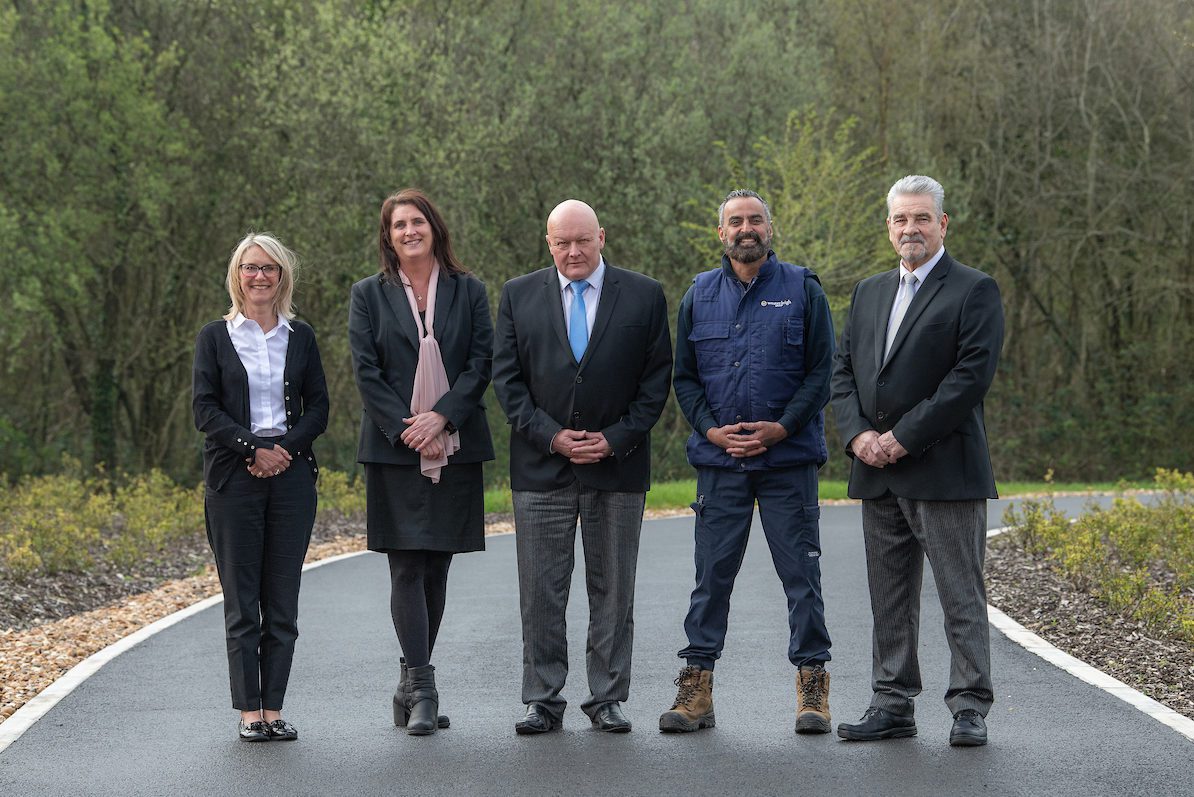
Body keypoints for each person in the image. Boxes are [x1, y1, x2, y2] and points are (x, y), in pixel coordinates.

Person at [831, 175, 1004, 746]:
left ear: (942, 224)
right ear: (888, 226)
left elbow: (968, 380)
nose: (911, 228)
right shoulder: (867, 292)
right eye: (901, 219)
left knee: (960, 594)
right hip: (877, 473)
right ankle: (892, 701)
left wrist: (902, 437)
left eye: (922, 218)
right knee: (889, 598)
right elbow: (843, 374)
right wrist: (858, 437)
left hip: (944, 469)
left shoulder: (973, 290)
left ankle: (969, 704)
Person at [659, 189, 835, 735]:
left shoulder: (803, 289)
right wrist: (711, 430)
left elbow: (821, 373)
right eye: (735, 221)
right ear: (721, 234)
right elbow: (684, 378)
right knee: (710, 578)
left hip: (789, 461)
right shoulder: (698, 294)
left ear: (770, 228)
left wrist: (781, 428)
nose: (745, 228)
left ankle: (812, 687)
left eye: (754, 219)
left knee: (801, 577)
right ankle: (696, 688)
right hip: (721, 464)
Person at [493, 199, 672, 735]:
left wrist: (614, 440)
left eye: (582, 240)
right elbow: (507, 382)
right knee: (541, 590)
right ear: (548, 244)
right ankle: (542, 699)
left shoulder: (644, 295)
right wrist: (552, 437)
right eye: (561, 242)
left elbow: (655, 382)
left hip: (617, 468)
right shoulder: (517, 295)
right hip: (540, 468)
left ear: (602, 236)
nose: (573, 251)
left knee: (614, 590)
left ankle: (607, 697)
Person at [349, 188, 494, 736]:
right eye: (398, 225)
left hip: (455, 444)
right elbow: (367, 372)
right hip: (394, 447)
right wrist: (411, 428)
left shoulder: (469, 290)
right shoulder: (368, 295)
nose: (409, 231)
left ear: (434, 227)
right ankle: (424, 690)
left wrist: (443, 418)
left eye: (417, 222)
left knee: (437, 566)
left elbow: (482, 361)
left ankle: (408, 683)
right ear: (388, 237)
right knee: (406, 564)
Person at [193, 232, 329, 742]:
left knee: (283, 600)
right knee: (242, 600)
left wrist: (283, 451)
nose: (260, 276)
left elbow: (319, 407)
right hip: (233, 478)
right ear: (237, 275)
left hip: (291, 476)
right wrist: (253, 449)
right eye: (251, 267)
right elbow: (205, 409)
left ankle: (275, 709)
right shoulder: (214, 336)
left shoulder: (303, 336)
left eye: (270, 268)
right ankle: (249, 712)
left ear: (282, 277)